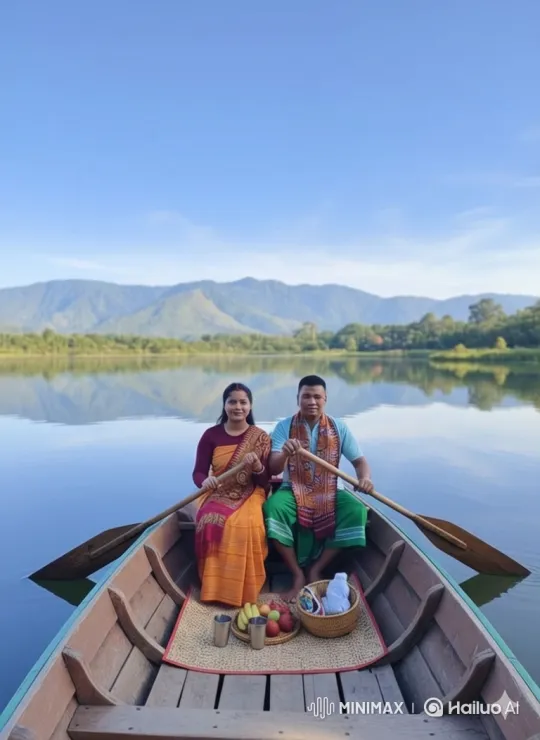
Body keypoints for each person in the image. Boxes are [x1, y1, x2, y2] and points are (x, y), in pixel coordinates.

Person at [263, 374, 373, 601]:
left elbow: (360, 462)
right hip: (293, 488)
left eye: (317, 397)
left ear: (325, 399)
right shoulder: (284, 427)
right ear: (298, 399)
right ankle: (297, 575)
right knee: (273, 508)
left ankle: (316, 569)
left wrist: (365, 479)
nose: (311, 401)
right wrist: (284, 451)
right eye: (306, 396)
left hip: (331, 489)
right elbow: (273, 467)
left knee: (357, 511)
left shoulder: (338, 427)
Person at [192, 382, 271, 608]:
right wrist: (204, 481)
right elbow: (198, 471)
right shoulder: (211, 435)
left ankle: (245, 589)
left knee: (247, 524)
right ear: (225, 405)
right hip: (217, 490)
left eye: (243, 402)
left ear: (250, 406)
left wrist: (256, 467)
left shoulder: (260, 437)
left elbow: (264, 481)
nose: (238, 407)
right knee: (209, 519)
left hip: (250, 491)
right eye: (232, 402)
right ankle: (214, 588)